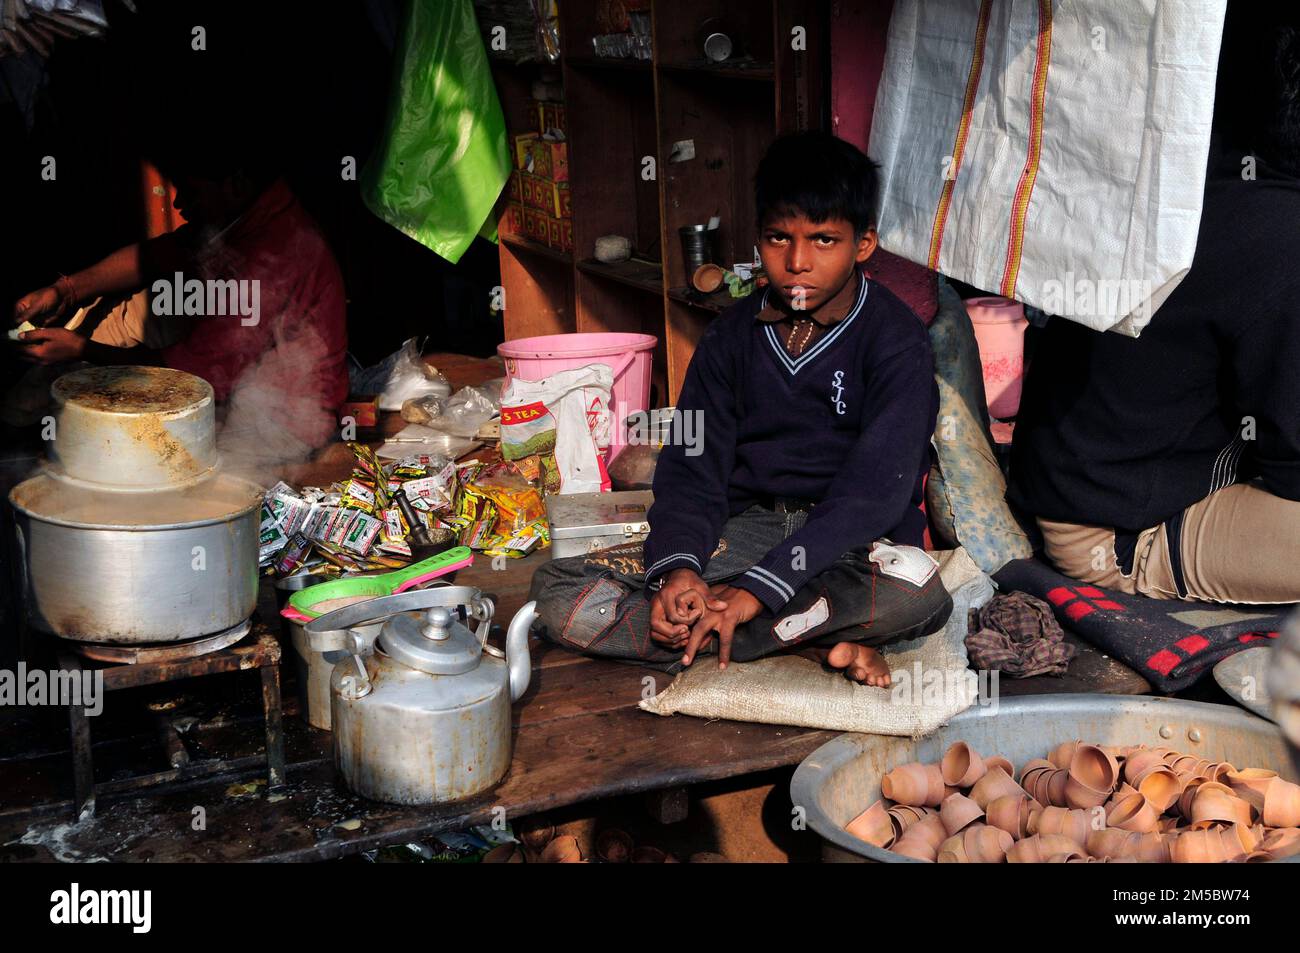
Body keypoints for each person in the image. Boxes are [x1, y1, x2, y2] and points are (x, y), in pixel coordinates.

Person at [529, 132, 952, 686]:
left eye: (824, 241)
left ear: (864, 244)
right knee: (557, 594)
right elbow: (692, 468)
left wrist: (759, 587)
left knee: (918, 594)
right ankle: (797, 631)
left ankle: (738, 626)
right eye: (779, 238)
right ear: (758, 238)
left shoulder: (896, 341)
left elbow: (873, 495)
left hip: (850, 541)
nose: (798, 262)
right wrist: (678, 573)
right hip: (749, 528)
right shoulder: (729, 339)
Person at [1007, 22, 1300, 606]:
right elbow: (1293, 463)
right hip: (1111, 529)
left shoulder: (1207, 178)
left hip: (1090, 480)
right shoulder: (1280, 231)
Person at [10, 141, 349, 454]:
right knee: (129, 308)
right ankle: (18, 421)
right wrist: (65, 291)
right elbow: (151, 258)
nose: (178, 204)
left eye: (190, 192)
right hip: (217, 360)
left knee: (148, 453)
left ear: (236, 183)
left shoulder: (273, 255)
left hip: (283, 418)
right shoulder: (242, 216)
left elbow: (187, 375)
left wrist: (82, 350)